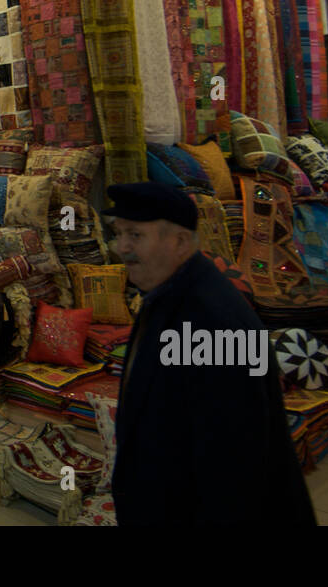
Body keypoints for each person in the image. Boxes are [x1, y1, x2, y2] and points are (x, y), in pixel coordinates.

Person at [103, 182, 314, 526]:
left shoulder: (213, 325)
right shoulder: (166, 294)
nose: (122, 247)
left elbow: (232, 470)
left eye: (136, 235)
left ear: (180, 242)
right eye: (120, 233)